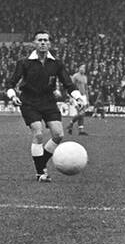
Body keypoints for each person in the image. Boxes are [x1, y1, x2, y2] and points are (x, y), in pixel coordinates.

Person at [6, 31, 87, 181]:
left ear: (49, 43)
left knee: (58, 135)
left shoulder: (56, 63)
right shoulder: (24, 63)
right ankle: (40, 173)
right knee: (38, 133)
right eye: (40, 40)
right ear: (34, 43)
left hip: (48, 101)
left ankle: (40, 162)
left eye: (46, 40)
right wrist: (12, 96)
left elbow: (68, 84)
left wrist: (78, 98)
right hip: (29, 101)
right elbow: (11, 83)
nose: (43, 42)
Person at [66, 64, 92, 135]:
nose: (82, 69)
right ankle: (71, 124)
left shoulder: (85, 77)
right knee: (81, 113)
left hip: (83, 96)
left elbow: (86, 88)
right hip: (77, 96)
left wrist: (87, 98)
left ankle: (79, 130)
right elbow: (70, 86)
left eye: (84, 68)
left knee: (81, 114)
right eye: (81, 68)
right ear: (79, 68)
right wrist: (71, 97)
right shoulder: (75, 76)